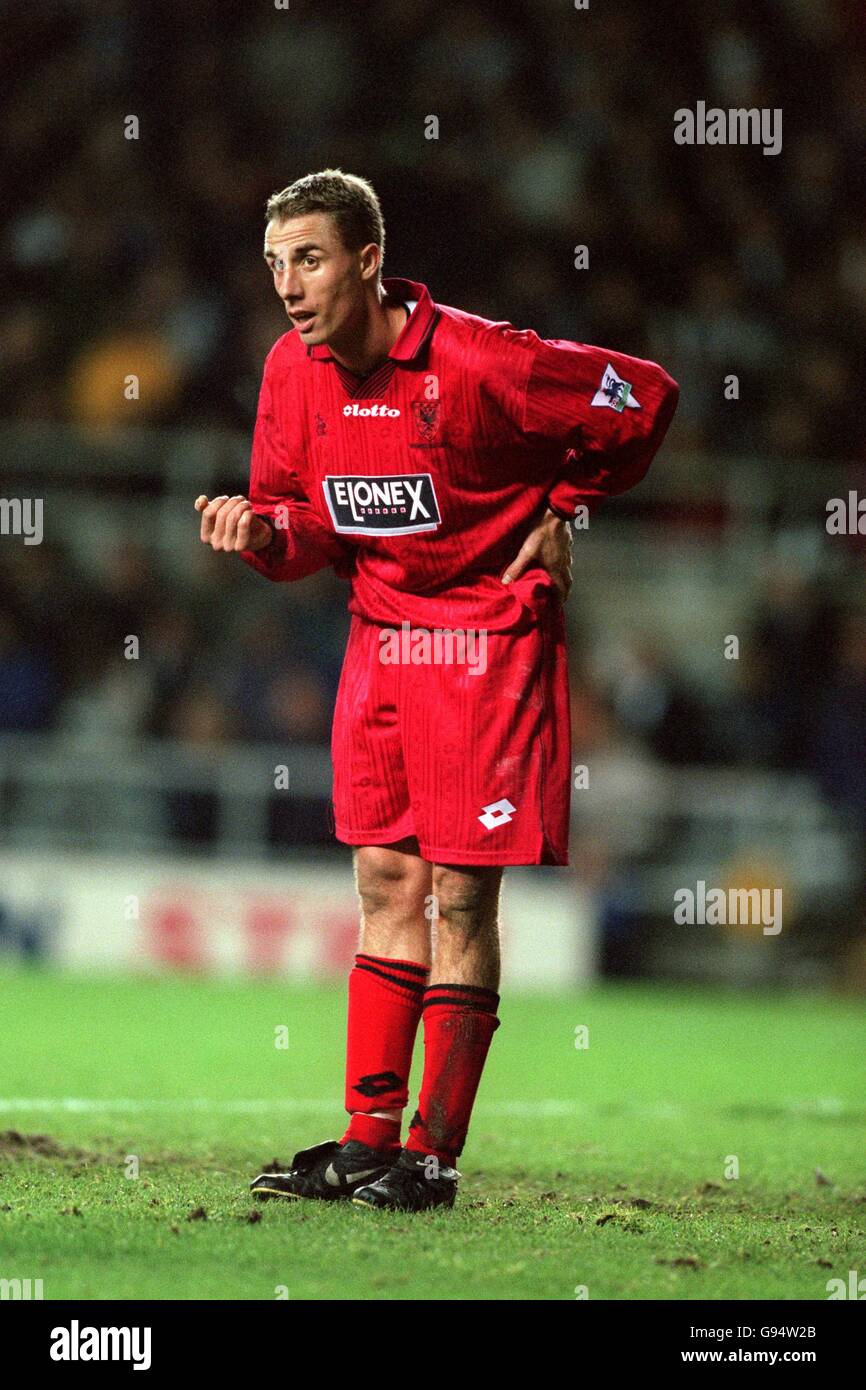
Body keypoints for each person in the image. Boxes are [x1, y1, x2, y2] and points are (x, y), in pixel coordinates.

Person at [195, 168, 678, 1211]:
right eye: (275, 263)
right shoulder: (291, 371)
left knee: (460, 893)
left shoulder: (477, 359)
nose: (288, 283)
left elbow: (642, 396)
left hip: (486, 646)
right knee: (381, 886)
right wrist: (260, 535)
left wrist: (565, 502)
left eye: (309, 258)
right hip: (381, 639)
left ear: (368, 260)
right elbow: (307, 529)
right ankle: (368, 1139)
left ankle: (433, 1155)